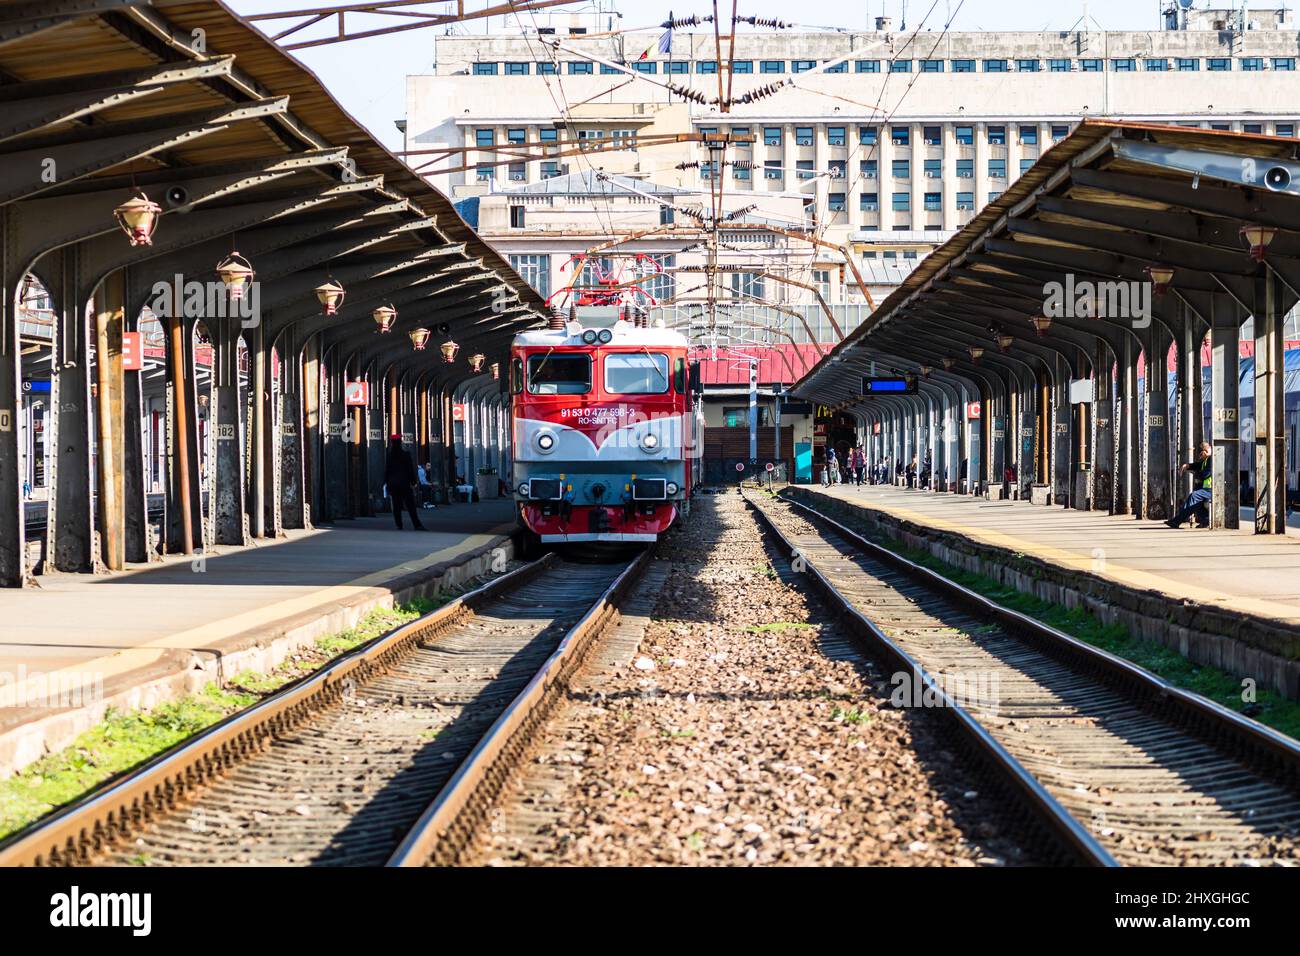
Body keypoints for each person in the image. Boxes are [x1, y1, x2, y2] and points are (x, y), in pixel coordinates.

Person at [1166, 441, 1212, 529]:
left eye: (1203, 452)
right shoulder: (1206, 460)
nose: (1201, 455)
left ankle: (1177, 521)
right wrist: (1188, 466)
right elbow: (1198, 465)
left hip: (1211, 489)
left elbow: (1205, 474)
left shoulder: (1212, 459)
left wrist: (1196, 473)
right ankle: (1205, 520)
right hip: (1206, 490)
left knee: (1194, 496)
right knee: (1197, 499)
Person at [384, 434, 425, 530]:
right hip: (404, 483)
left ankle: (399, 524)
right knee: (410, 505)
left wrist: (387, 483)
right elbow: (410, 469)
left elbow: (387, 471)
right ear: (400, 443)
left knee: (396, 505)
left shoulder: (389, 456)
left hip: (393, 484)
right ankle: (417, 524)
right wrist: (413, 481)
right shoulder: (406, 455)